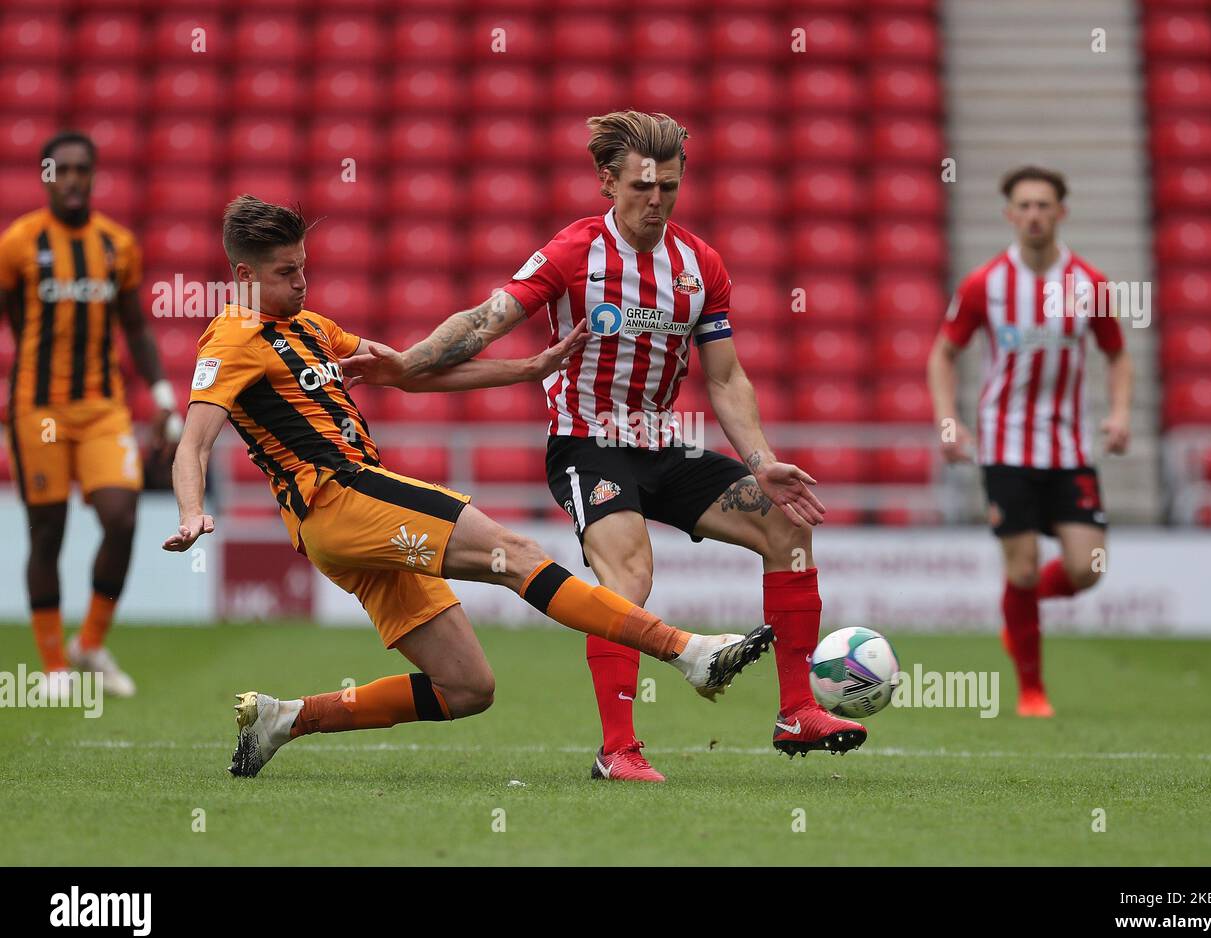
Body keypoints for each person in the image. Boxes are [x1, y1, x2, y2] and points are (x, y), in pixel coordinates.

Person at [163, 195, 773, 778]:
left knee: (466, 687)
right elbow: (193, 442)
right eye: (285, 272)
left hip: (351, 525)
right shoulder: (233, 336)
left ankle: (286, 719)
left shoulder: (313, 328)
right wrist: (192, 511)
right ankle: (687, 651)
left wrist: (528, 369)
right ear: (243, 276)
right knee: (520, 557)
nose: (301, 282)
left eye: (304, 268)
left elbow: (409, 373)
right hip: (339, 495)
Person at [342, 110, 864, 781]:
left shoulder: (698, 265)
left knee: (785, 527)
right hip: (589, 444)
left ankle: (797, 711)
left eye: (669, 188)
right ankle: (618, 749)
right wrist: (408, 362)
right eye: (642, 187)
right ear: (607, 183)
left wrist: (762, 463)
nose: (656, 200)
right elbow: (486, 320)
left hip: (664, 441)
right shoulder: (573, 253)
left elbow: (727, 376)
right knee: (630, 576)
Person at [926, 166, 1132, 717]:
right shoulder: (984, 284)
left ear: (1061, 212)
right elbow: (943, 354)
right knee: (1019, 568)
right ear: (1009, 215)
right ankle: (1032, 692)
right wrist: (949, 422)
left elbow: (1116, 355)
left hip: (1068, 450)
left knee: (1087, 567)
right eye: (1025, 205)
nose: (1035, 215)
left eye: (1045, 205)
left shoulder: (1089, 284)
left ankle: (1019, 613)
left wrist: (1119, 415)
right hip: (1005, 448)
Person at [0, 131, 182, 699]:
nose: (74, 179)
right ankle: (53, 667)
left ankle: (91, 642)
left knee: (122, 517)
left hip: (103, 408)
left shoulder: (116, 245)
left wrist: (161, 394)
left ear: (95, 175)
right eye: (62, 170)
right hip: (38, 408)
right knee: (46, 531)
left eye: (83, 169)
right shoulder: (19, 243)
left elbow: (134, 323)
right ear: (46, 176)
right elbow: (13, 319)